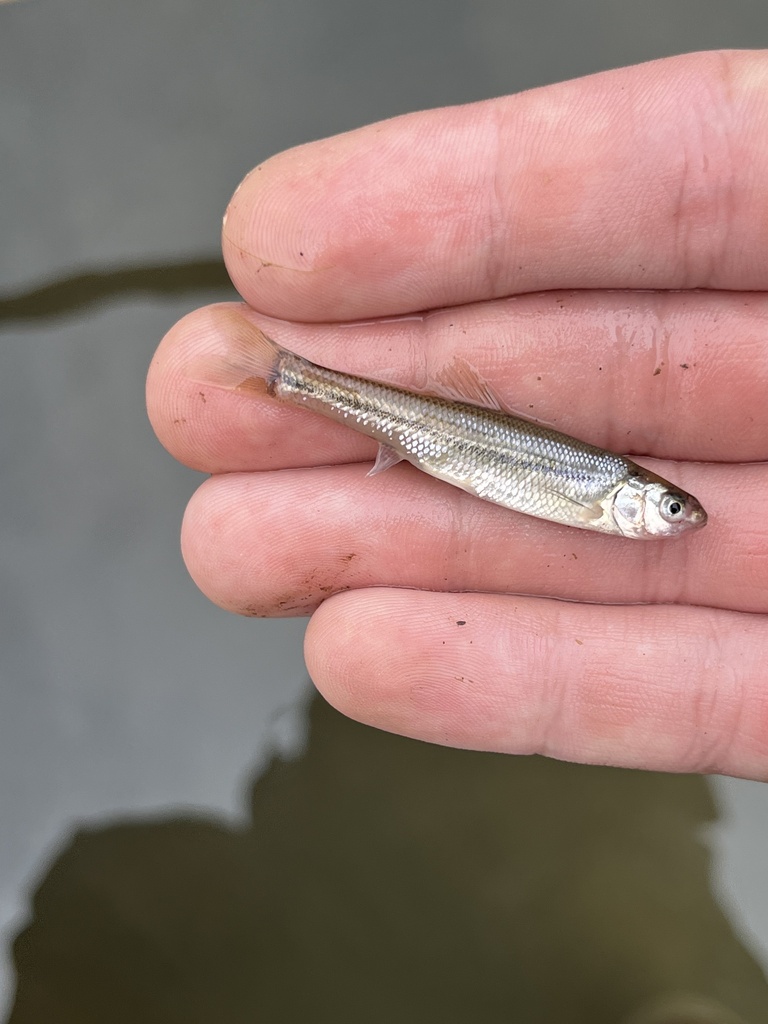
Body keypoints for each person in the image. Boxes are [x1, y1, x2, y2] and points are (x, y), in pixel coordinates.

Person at [147, 50, 768, 781]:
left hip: (442, 441)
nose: (678, 518)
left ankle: (288, 377)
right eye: (669, 506)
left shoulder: (606, 492)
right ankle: (287, 377)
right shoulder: (603, 489)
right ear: (633, 494)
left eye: (673, 508)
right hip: (440, 437)